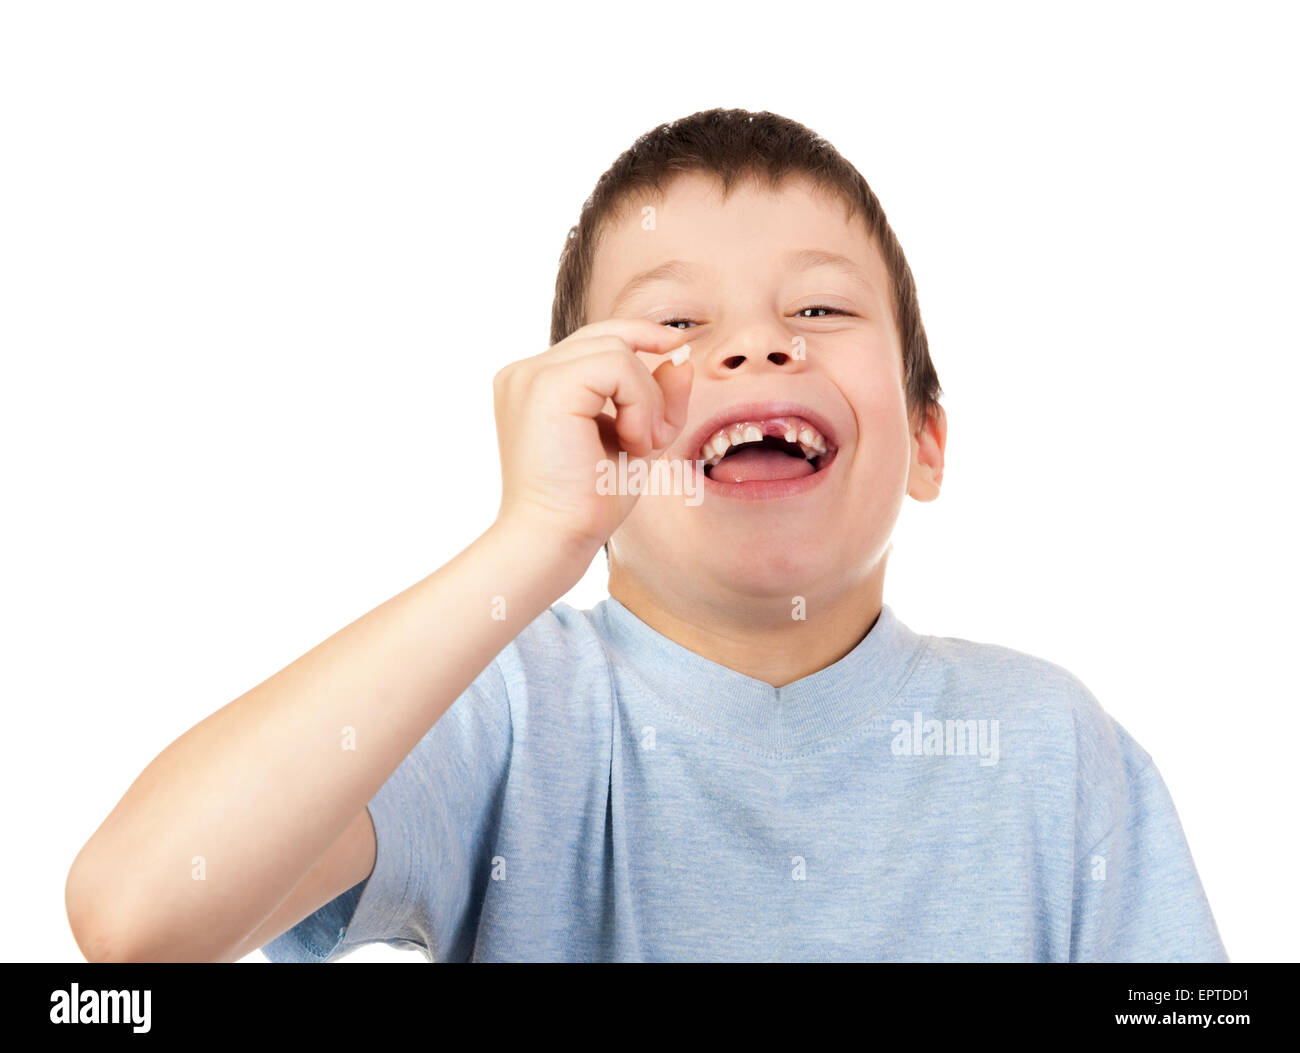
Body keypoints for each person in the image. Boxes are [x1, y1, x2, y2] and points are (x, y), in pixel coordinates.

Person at [65, 108, 1227, 962]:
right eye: (675, 322)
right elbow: (136, 918)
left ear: (926, 439)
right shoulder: (507, 714)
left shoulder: (1050, 746)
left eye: (819, 309)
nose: (760, 347)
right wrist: (529, 540)